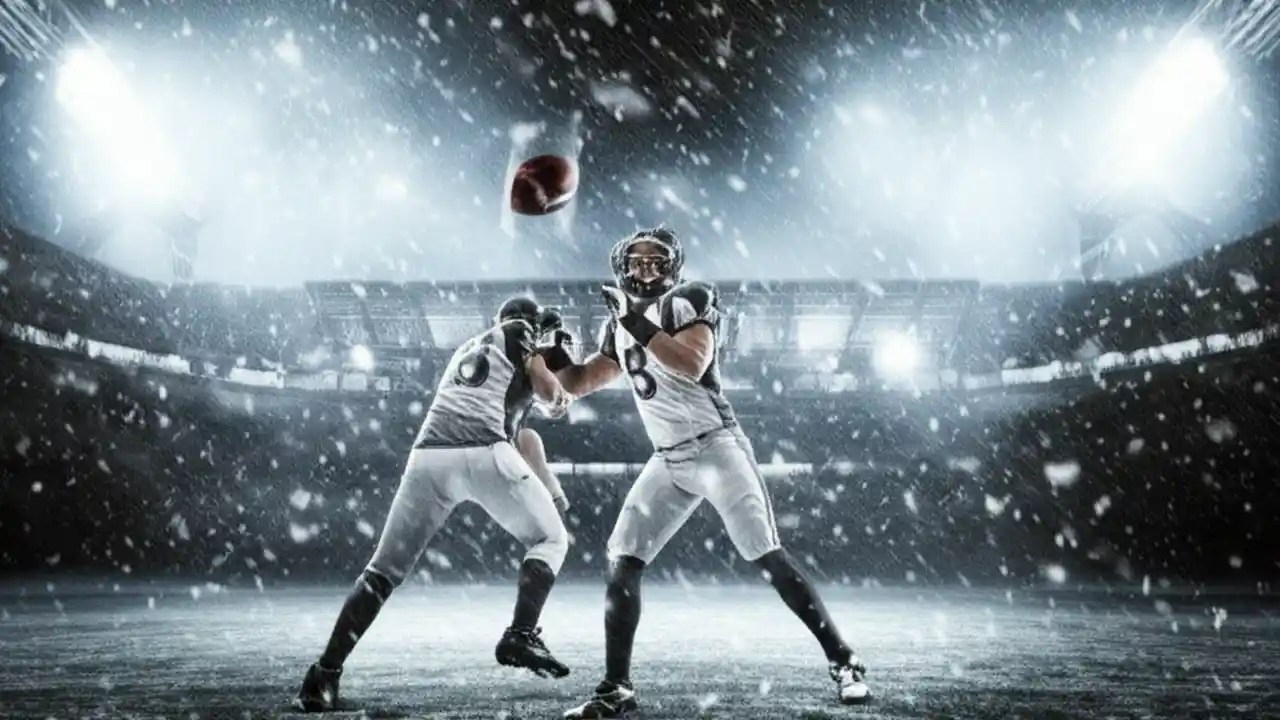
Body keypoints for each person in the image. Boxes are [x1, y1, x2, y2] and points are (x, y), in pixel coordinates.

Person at [555, 228, 872, 718]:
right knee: (623, 557)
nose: (645, 269)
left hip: (715, 447)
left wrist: (632, 319)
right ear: (621, 266)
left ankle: (844, 660)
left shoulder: (688, 299)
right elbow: (576, 384)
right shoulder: (618, 324)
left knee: (766, 554)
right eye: (637, 260)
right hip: (668, 456)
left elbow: (690, 362)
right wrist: (548, 352)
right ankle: (617, 687)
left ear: (674, 266)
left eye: (656, 260)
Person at [294, 296, 575, 712]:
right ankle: (520, 634)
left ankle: (323, 676)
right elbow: (546, 389)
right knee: (551, 540)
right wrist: (559, 396)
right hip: (483, 450)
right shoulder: (520, 332)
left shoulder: (474, 348)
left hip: (429, 458)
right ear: (529, 325)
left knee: (382, 571)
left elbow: (517, 419)